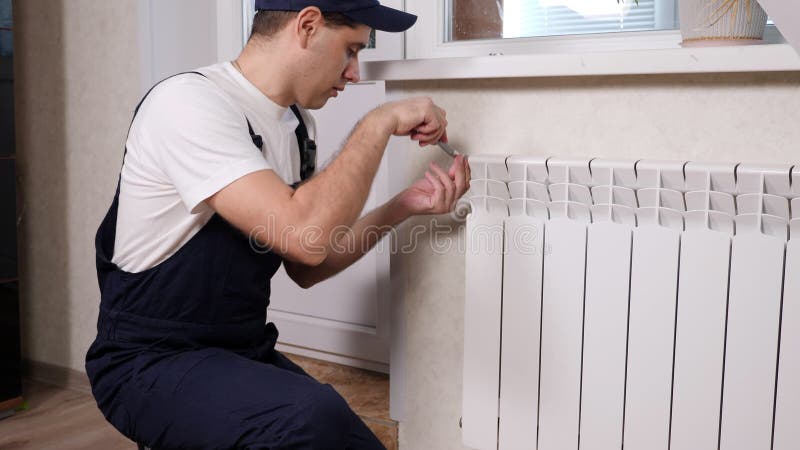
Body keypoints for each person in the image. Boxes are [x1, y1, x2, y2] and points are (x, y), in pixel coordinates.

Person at [85, 0, 471, 448]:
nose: (355, 73)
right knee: (311, 419)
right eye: (350, 50)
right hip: (148, 362)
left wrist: (403, 205)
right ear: (307, 25)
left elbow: (309, 262)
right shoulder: (188, 104)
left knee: (344, 433)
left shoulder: (295, 127)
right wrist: (379, 122)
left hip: (237, 351)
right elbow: (302, 236)